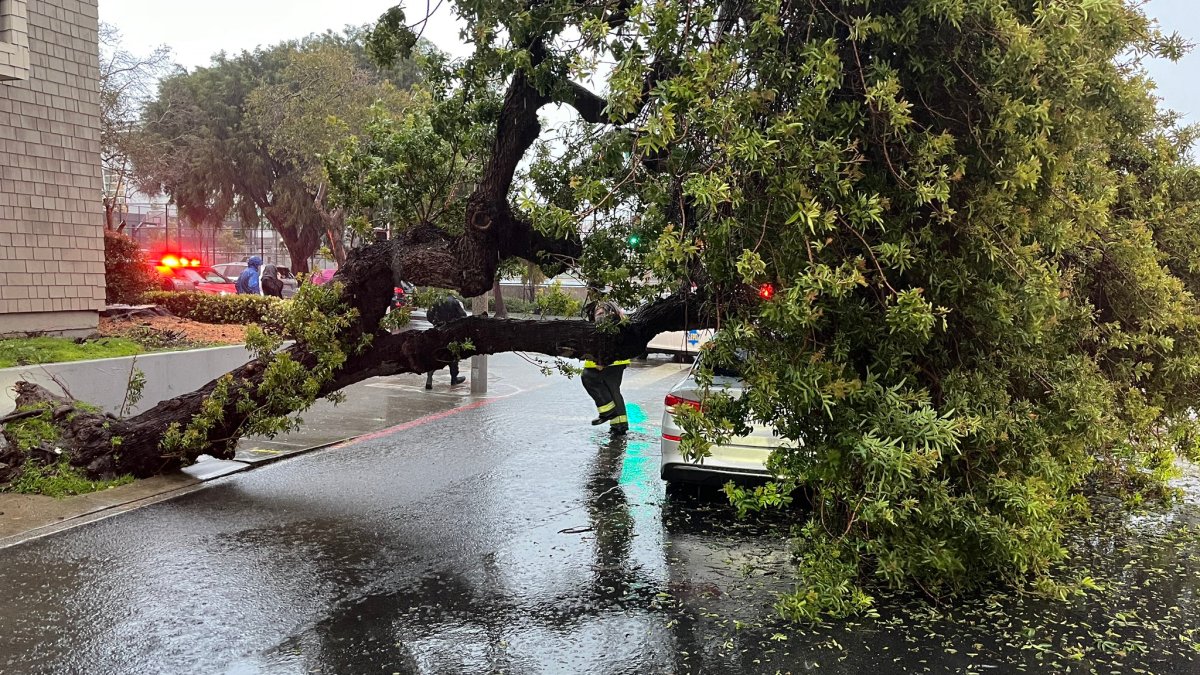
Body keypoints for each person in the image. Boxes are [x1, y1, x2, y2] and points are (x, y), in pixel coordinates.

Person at [582, 301, 631, 435]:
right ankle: (619, 424)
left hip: (607, 358)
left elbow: (603, 333)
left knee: (588, 378)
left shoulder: (602, 307)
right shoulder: (610, 304)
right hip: (617, 357)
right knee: (613, 390)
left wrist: (601, 359)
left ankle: (607, 412)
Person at [425, 295, 468, 389]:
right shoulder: (455, 301)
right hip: (451, 333)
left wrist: (436, 324)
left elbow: (429, 315)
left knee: (434, 355)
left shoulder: (435, 300)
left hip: (437, 332)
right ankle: (454, 379)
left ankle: (429, 378)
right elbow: (463, 317)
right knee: (453, 356)